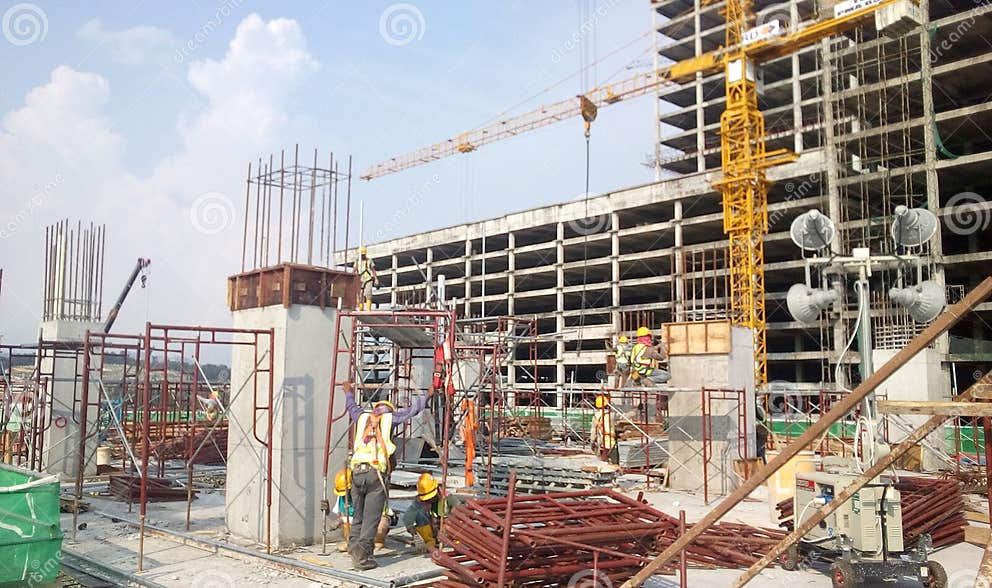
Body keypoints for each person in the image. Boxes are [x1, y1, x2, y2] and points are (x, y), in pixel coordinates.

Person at [343, 381, 432, 570]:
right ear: (388, 410)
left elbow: (351, 406)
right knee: (371, 518)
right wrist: (428, 396)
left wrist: (349, 393)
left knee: (358, 515)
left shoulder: (361, 417)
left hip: (356, 472)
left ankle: (353, 547)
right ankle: (363, 559)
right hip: (375, 474)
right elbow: (412, 410)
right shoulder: (390, 418)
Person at [402, 473, 463, 553]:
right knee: (420, 513)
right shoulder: (419, 502)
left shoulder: (448, 498)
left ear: (437, 489)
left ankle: (457, 541)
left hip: (449, 530)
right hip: (434, 530)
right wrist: (415, 534)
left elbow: (462, 513)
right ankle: (429, 542)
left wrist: (448, 524)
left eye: (431, 497)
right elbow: (407, 518)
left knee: (457, 517)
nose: (429, 500)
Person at [590, 394, 618, 464]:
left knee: (603, 463)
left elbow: (593, 432)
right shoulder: (611, 415)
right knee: (615, 464)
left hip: (602, 443)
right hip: (612, 442)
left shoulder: (595, 417)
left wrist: (592, 442)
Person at [354, 246, 379, 311]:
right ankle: (361, 309)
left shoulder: (369, 260)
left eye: (363, 254)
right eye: (362, 254)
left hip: (368, 279)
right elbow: (355, 269)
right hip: (360, 280)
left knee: (368, 294)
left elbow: (373, 270)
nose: (363, 256)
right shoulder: (357, 261)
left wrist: (376, 278)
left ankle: (368, 309)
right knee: (360, 295)